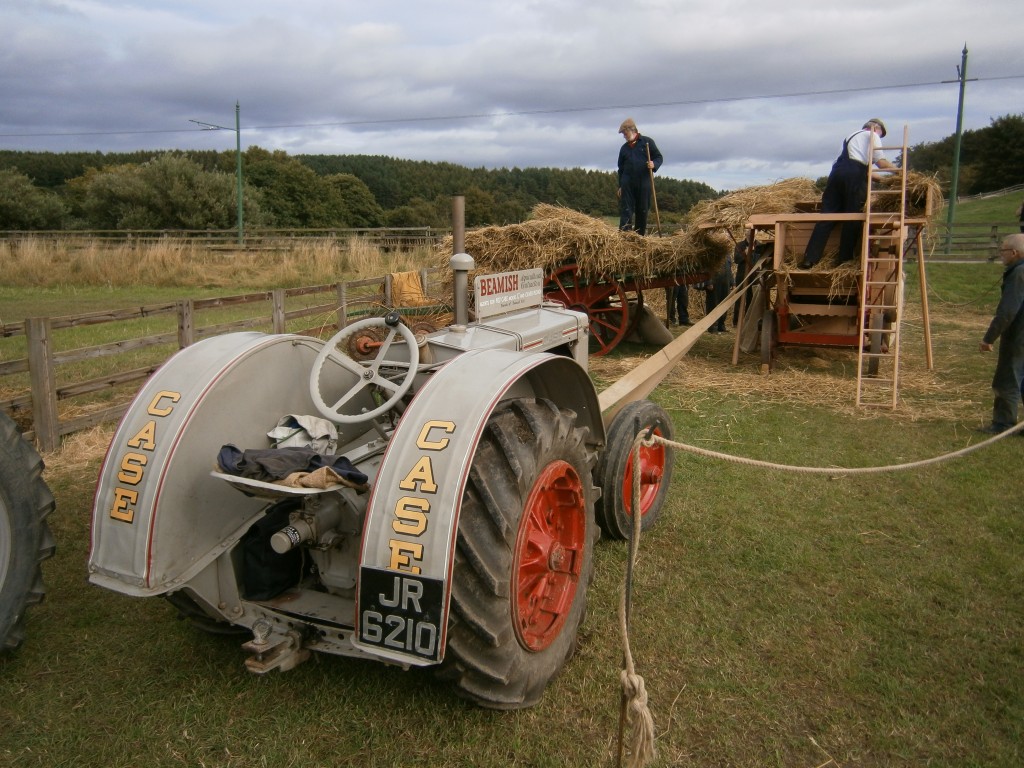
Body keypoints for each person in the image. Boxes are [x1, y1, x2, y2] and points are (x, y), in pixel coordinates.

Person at [800, 118, 897, 269]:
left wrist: (886, 182)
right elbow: (881, 163)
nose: (880, 137)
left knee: (826, 217)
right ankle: (844, 260)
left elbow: (862, 170)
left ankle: (809, 259)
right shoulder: (872, 135)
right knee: (853, 216)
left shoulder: (849, 138)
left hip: (835, 176)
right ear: (875, 128)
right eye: (881, 134)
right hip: (854, 176)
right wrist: (900, 174)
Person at [977, 233, 1024, 434]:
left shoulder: (1018, 274)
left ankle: (1003, 423)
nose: (1001, 255)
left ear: (1014, 252)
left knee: (1007, 378)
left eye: (1003, 250)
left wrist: (989, 338)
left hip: (1019, 335)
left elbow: (1007, 311)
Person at [617, 118, 663, 235]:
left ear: (632, 130)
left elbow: (658, 157)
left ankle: (639, 238)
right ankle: (624, 236)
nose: (624, 136)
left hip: (644, 183)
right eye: (623, 134)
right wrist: (620, 186)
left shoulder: (647, 142)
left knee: (642, 210)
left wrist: (654, 164)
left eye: (625, 133)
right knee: (626, 210)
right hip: (627, 184)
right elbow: (620, 169)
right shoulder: (624, 148)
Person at [705, 250, 735, 333]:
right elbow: (707, 268)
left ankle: (721, 326)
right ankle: (712, 327)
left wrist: (732, 282)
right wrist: (709, 282)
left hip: (726, 282)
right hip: (715, 282)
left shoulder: (727, 254)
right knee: (713, 304)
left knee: (724, 303)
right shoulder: (712, 251)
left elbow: (730, 270)